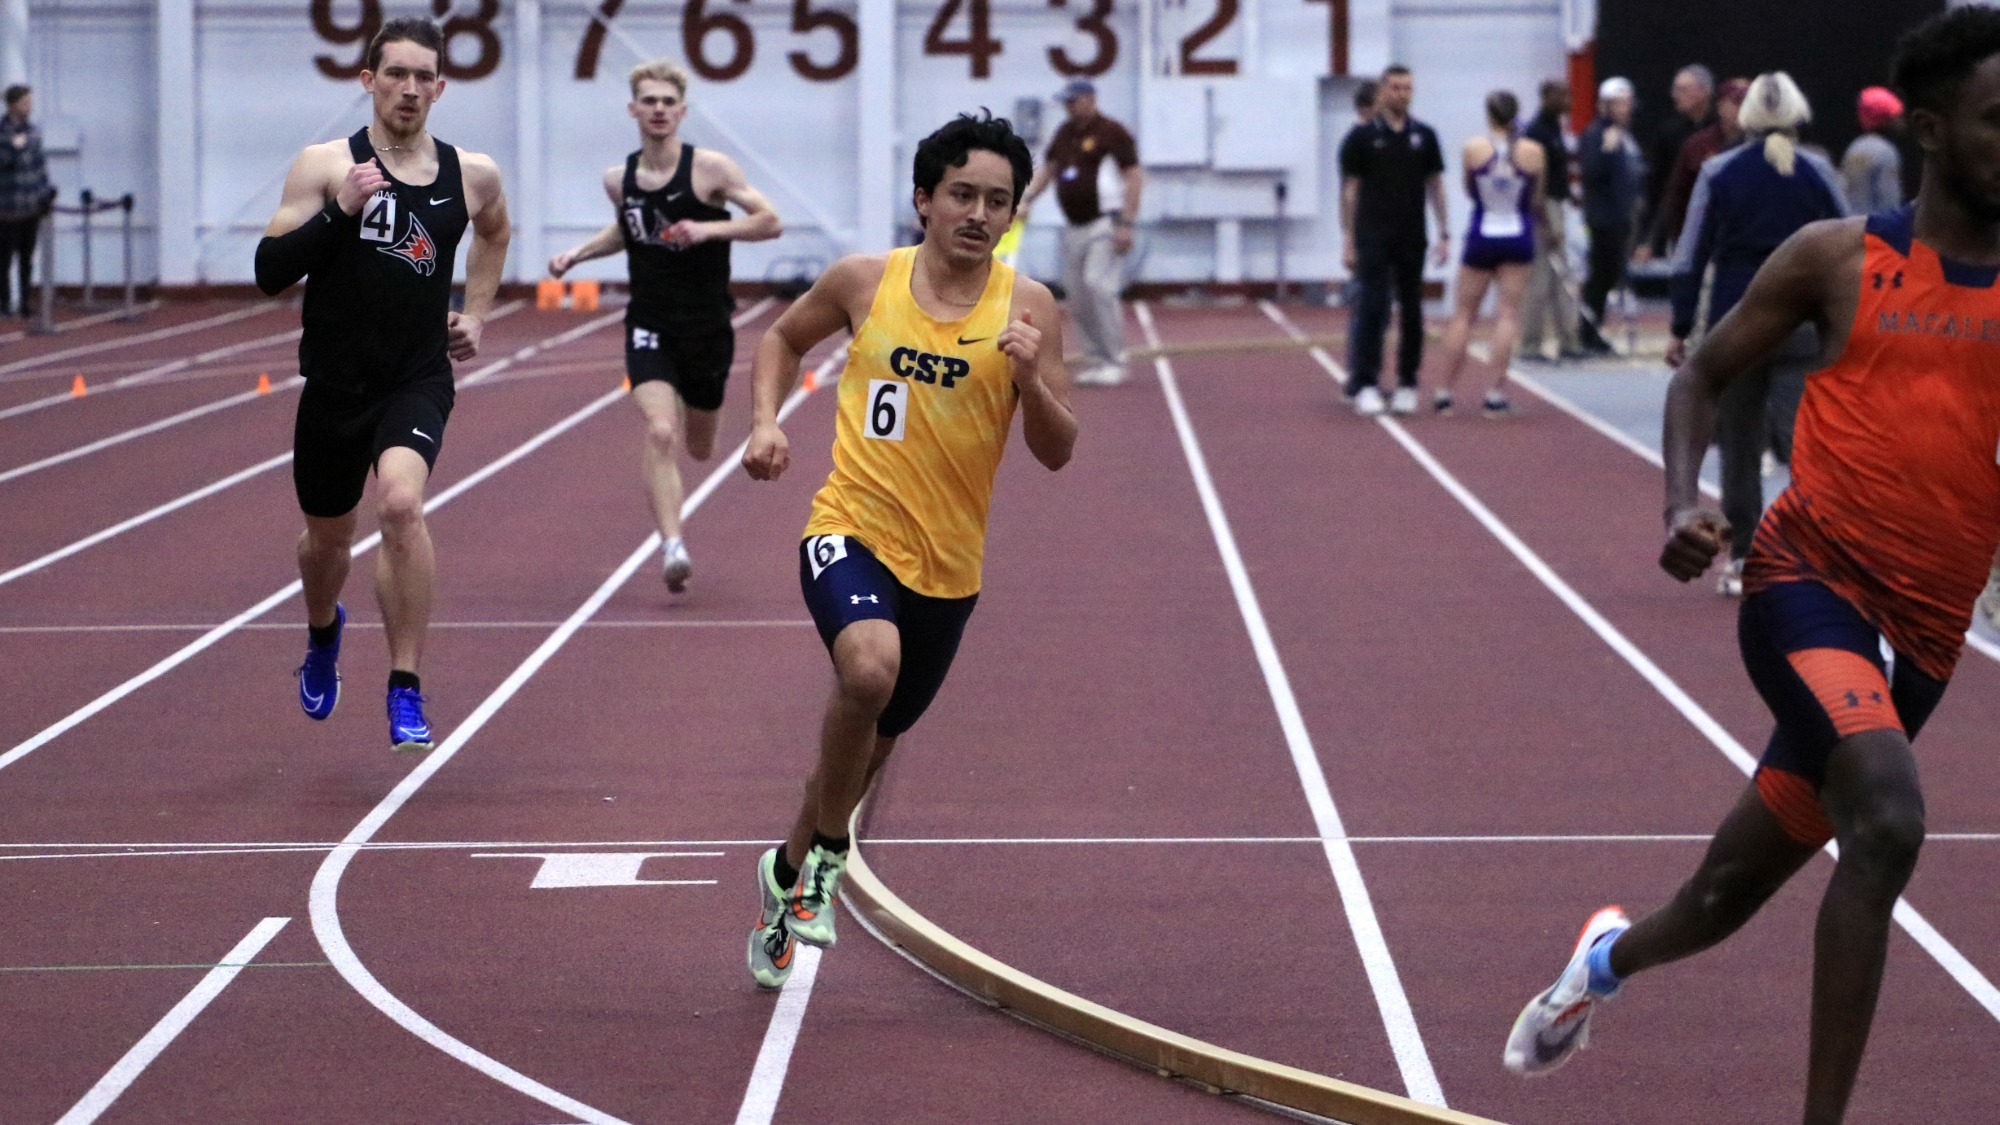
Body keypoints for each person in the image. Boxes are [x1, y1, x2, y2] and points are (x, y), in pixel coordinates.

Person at [1506, 12, 2000, 1123]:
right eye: (1994, 119)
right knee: (1887, 820)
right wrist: (1682, 504)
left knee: (1725, 893)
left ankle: (1602, 965)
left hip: (1922, 640)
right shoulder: (1836, 258)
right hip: (1807, 585)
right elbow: (1700, 376)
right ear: (1927, 129)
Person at [737, 111, 1076, 989]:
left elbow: (1058, 447)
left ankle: (786, 866)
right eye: (962, 193)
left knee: (866, 746)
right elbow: (780, 337)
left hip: (950, 569)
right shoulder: (863, 281)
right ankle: (826, 861)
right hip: (849, 526)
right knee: (867, 669)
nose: (978, 212)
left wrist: (1031, 378)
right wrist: (767, 421)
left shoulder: (1030, 307)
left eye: (997, 202)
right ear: (923, 199)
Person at [253, 17, 510, 751]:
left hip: (417, 376)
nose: (408, 87)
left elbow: (495, 231)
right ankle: (324, 628)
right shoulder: (327, 164)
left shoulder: (472, 172)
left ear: (440, 87)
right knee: (325, 546)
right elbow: (271, 274)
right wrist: (339, 211)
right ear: (368, 81)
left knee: (401, 503)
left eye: (422, 76)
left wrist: (480, 313)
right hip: (334, 386)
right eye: (394, 73)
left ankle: (405, 686)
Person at [547, 59, 781, 593]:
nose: (657, 110)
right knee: (659, 431)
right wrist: (578, 254)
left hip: (706, 326)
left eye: (666, 102)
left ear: (681, 112)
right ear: (634, 109)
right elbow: (629, 227)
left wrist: (705, 229)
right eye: (648, 101)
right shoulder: (619, 179)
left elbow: (770, 221)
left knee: (700, 445)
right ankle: (672, 545)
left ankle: (690, 466)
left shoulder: (711, 170)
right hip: (648, 321)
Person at [1665, 72, 1846, 597]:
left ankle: (1744, 556)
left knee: (1739, 447)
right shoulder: (1817, 170)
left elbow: (1689, 256)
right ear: (1798, 111)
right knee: (1808, 447)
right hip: (1804, 327)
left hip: (1736, 326)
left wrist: (1679, 327)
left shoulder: (1718, 171)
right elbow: (1852, 238)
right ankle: (1811, 556)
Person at [1339, 64, 1449, 414]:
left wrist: (1444, 232)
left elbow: (1436, 186)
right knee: (1372, 309)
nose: (1402, 93)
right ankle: (1367, 383)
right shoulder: (1360, 138)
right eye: (1396, 87)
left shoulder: (1425, 136)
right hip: (1373, 236)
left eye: (1408, 88)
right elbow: (1350, 192)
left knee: (1413, 311)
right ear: (1383, 91)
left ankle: (1407, 382)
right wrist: (1348, 239)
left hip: (1412, 236)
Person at [1431, 90, 1547, 417]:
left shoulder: (1473, 148)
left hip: (1483, 232)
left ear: (1489, 115)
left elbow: (1470, 191)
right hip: (1518, 234)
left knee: (1463, 315)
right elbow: (1536, 198)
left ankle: (1444, 393)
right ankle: (1494, 394)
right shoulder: (1534, 151)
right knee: (1507, 314)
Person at [1018, 79, 1141, 387]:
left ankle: (1114, 359)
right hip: (1074, 225)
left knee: (1098, 285)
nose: (1069, 107)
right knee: (1077, 293)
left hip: (1105, 223)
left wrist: (1127, 223)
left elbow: (1135, 177)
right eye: (1066, 102)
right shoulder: (1064, 133)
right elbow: (1048, 169)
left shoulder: (1113, 132)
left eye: (1074, 101)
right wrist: (1027, 198)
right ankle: (1096, 358)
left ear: (1090, 99)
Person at [1576, 77, 1645, 354]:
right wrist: (1606, 150)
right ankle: (1588, 331)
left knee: (1609, 277)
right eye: (1620, 103)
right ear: (1606, 105)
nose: (1626, 109)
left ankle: (1594, 330)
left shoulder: (1625, 136)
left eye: (1627, 103)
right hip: (1604, 218)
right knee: (1600, 277)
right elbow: (1590, 173)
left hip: (1622, 216)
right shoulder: (1597, 134)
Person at [1652, 77, 1751, 258]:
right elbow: (1677, 195)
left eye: (1747, 103)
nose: (1742, 109)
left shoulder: (1759, 146)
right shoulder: (1697, 145)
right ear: (1721, 105)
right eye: (1736, 103)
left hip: (1744, 240)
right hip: (1702, 239)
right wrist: (1677, 239)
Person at [1519, 79, 1582, 363]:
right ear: (1546, 97)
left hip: (1558, 206)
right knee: (1540, 279)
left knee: (1561, 278)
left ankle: (1568, 339)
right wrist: (1544, 223)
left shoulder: (1556, 128)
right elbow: (1534, 183)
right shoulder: (1537, 132)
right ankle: (1531, 343)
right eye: (1562, 94)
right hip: (1543, 209)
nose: (1569, 99)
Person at [1644, 65, 1717, 258]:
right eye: (1675, 89)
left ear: (1704, 92)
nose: (1675, 95)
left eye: (1682, 89)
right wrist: (1649, 239)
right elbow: (1657, 187)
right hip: (1679, 221)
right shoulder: (1668, 134)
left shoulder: (1721, 132)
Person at [0, 84, 52, 319]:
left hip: (30, 205)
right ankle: (4, 302)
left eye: (29, 103)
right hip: (8, 207)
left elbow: (40, 165)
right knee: (4, 257)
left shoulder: (33, 131)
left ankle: (25, 302)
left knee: (27, 257)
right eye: (24, 103)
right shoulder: (2, 133)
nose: (28, 107)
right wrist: (13, 147)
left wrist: (45, 192)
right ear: (12, 105)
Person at [1842, 86, 1907, 215]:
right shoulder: (1885, 151)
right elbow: (1889, 199)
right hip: (1877, 228)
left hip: (1853, 225)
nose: (1901, 122)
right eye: (1896, 117)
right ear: (1885, 119)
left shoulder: (1854, 147)